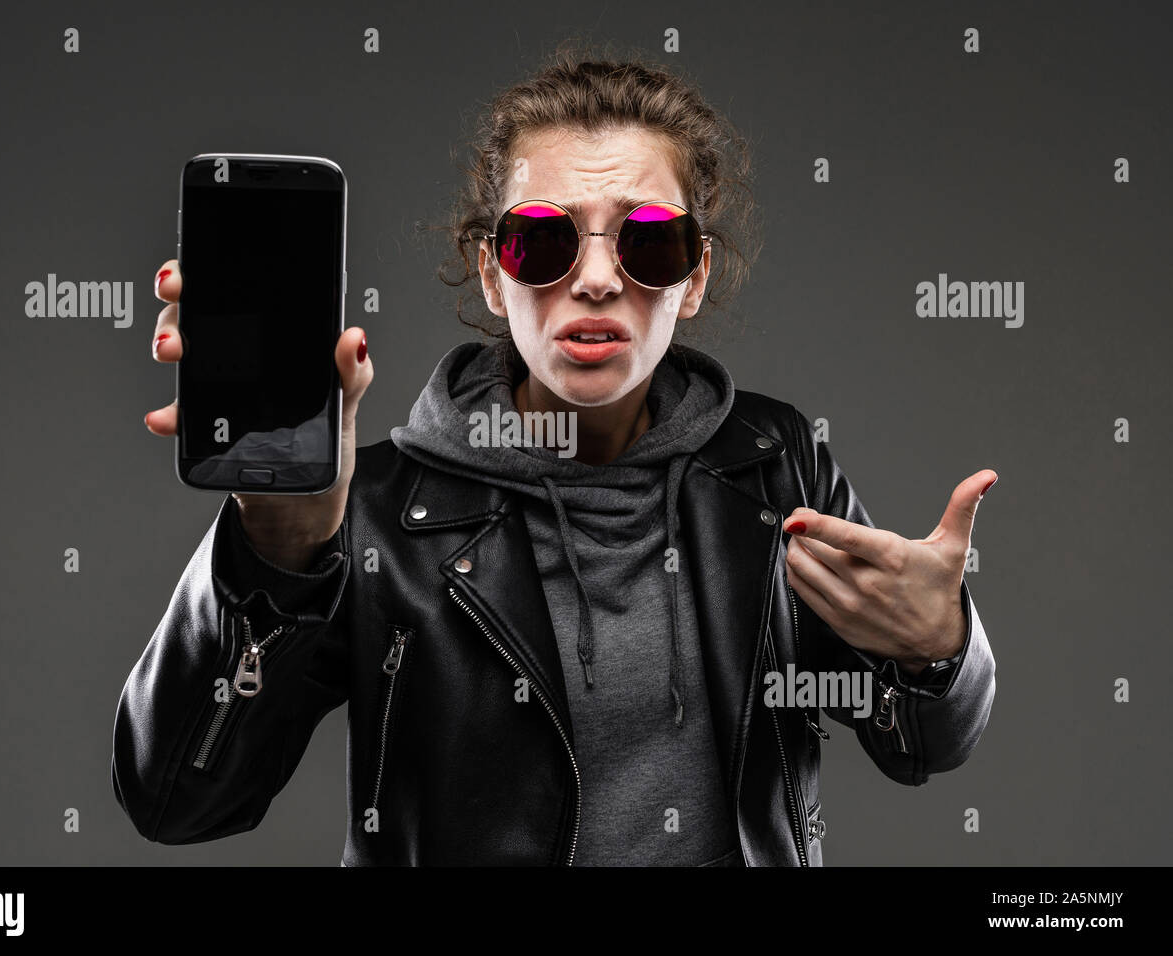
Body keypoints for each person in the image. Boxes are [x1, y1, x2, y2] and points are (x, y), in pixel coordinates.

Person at [112, 48, 996, 866]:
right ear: (494, 272)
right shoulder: (375, 508)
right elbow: (176, 800)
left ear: (693, 278)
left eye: (648, 239)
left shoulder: (775, 465)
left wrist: (936, 653)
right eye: (544, 238)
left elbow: (919, 744)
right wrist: (279, 549)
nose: (600, 278)